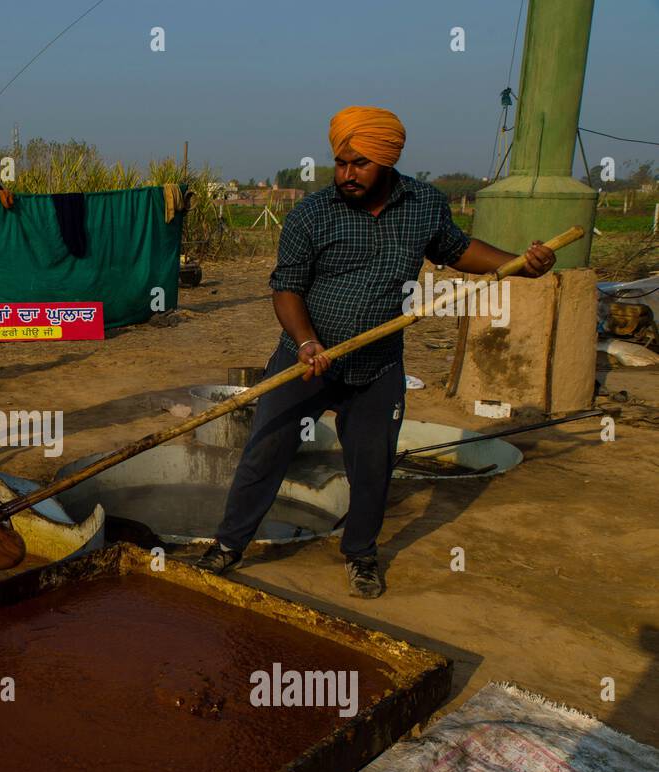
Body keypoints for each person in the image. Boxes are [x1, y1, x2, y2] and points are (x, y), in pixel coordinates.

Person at [196, 106, 555, 598]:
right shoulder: (311, 214)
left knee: (372, 465)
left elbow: (455, 249)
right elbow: (286, 288)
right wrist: (306, 342)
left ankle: (361, 555)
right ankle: (230, 544)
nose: (346, 174)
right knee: (266, 452)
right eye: (340, 163)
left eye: (359, 164)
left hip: (377, 365)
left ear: (388, 161)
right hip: (305, 361)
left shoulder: (425, 204)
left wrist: (519, 265)